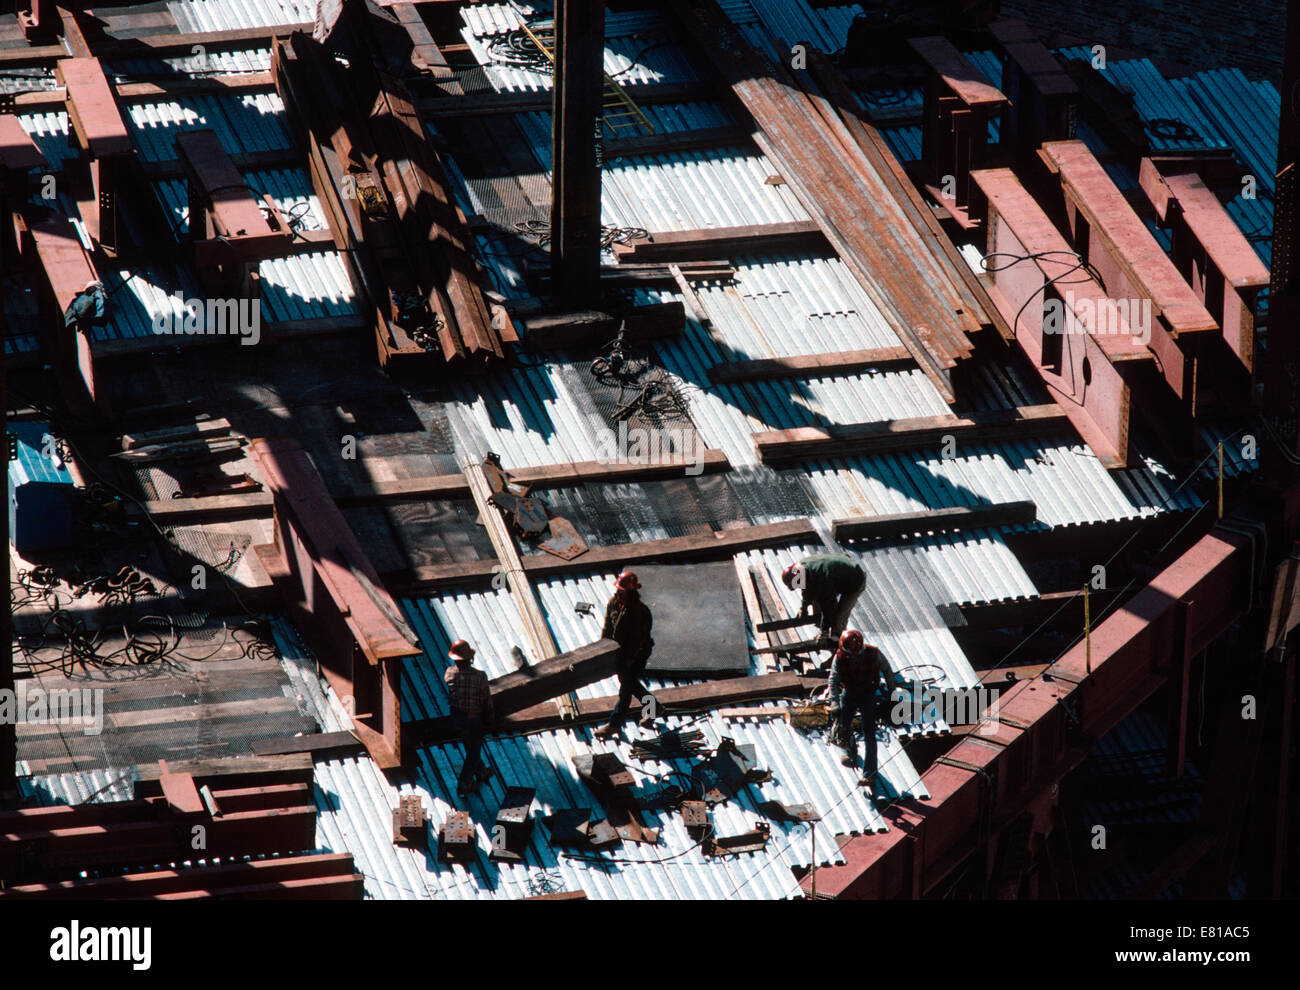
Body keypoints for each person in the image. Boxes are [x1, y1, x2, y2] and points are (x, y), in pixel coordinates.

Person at [594, 571, 659, 739]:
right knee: (631, 685)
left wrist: (630, 660)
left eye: (621, 590)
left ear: (630, 592)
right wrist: (603, 650)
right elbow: (607, 627)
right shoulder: (614, 603)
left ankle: (614, 725)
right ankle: (654, 708)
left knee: (626, 691)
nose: (618, 592)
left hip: (636, 655)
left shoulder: (639, 612)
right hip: (621, 652)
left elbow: (639, 640)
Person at [827, 629, 880, 789]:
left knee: (869, 734)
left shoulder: (873, 653)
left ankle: (870, 774)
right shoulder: (839, 657)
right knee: (843, 725)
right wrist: (834, 701)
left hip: (868, 695)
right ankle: (851, 752)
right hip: (849, 693)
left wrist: (892, 694)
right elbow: (833, 679)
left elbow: (888, 671)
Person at [444, 639, 494, 797]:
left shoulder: (449, 673)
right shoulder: (480, 677)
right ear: (470, 659)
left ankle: (481, 771)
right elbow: (486, 699)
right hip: (474, 719)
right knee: (473, 751)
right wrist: (490, 717)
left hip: (458, 718)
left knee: (470, 745)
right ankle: (464, 784)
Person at [782, 553, 866, 640]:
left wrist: (824, 630)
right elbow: (806, 589)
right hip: (835, 576)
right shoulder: (800, 568)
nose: (798, 587)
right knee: (817, 599)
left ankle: (836, 638)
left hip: (855, 579)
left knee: (838, 619)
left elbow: (829, 606)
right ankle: (822, 625)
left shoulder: (821, 580)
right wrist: (804, 607)